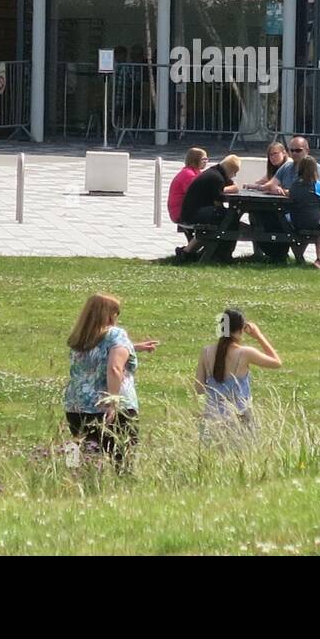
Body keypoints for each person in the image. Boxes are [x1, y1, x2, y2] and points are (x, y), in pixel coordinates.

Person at [63, 294, 159, 468]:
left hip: (75, 407)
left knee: (83, 460)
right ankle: (119, 492)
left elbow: (97, 353)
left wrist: (133, 347)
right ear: (108, 314)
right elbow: (114, 369)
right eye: (116, 313)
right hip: (108, 410)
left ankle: (73, 487)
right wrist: (112, 402)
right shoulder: (117, 335)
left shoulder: (79, 337)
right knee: (121, 461)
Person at [194, 308, 282, 434]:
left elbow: (199, 388)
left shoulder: (206, 351)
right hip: (239, 419)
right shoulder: (245, 353)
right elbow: (276, 362)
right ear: (241, 329)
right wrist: (259, 336)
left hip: (212, 420)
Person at [178, 155, 242, 260]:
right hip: (195, 213)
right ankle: (223, 254)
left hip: (190, 212)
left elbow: (225, 188)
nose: (234, 175)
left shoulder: (215, 172)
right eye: (234, 172)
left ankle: (217, 252)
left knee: (228, 216)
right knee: (231, 218)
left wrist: (229, 188)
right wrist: (229, 190)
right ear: (230, 169)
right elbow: (219, 197)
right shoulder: (217, 178)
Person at [167, 146, 207, 228]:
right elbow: (197, 195)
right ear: (195, 160)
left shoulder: (194, 172)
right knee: (219, 215)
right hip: (181, 214)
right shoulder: (189, 175)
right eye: (203, 159)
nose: (206, 162)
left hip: (184, 211)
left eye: (207, 159)